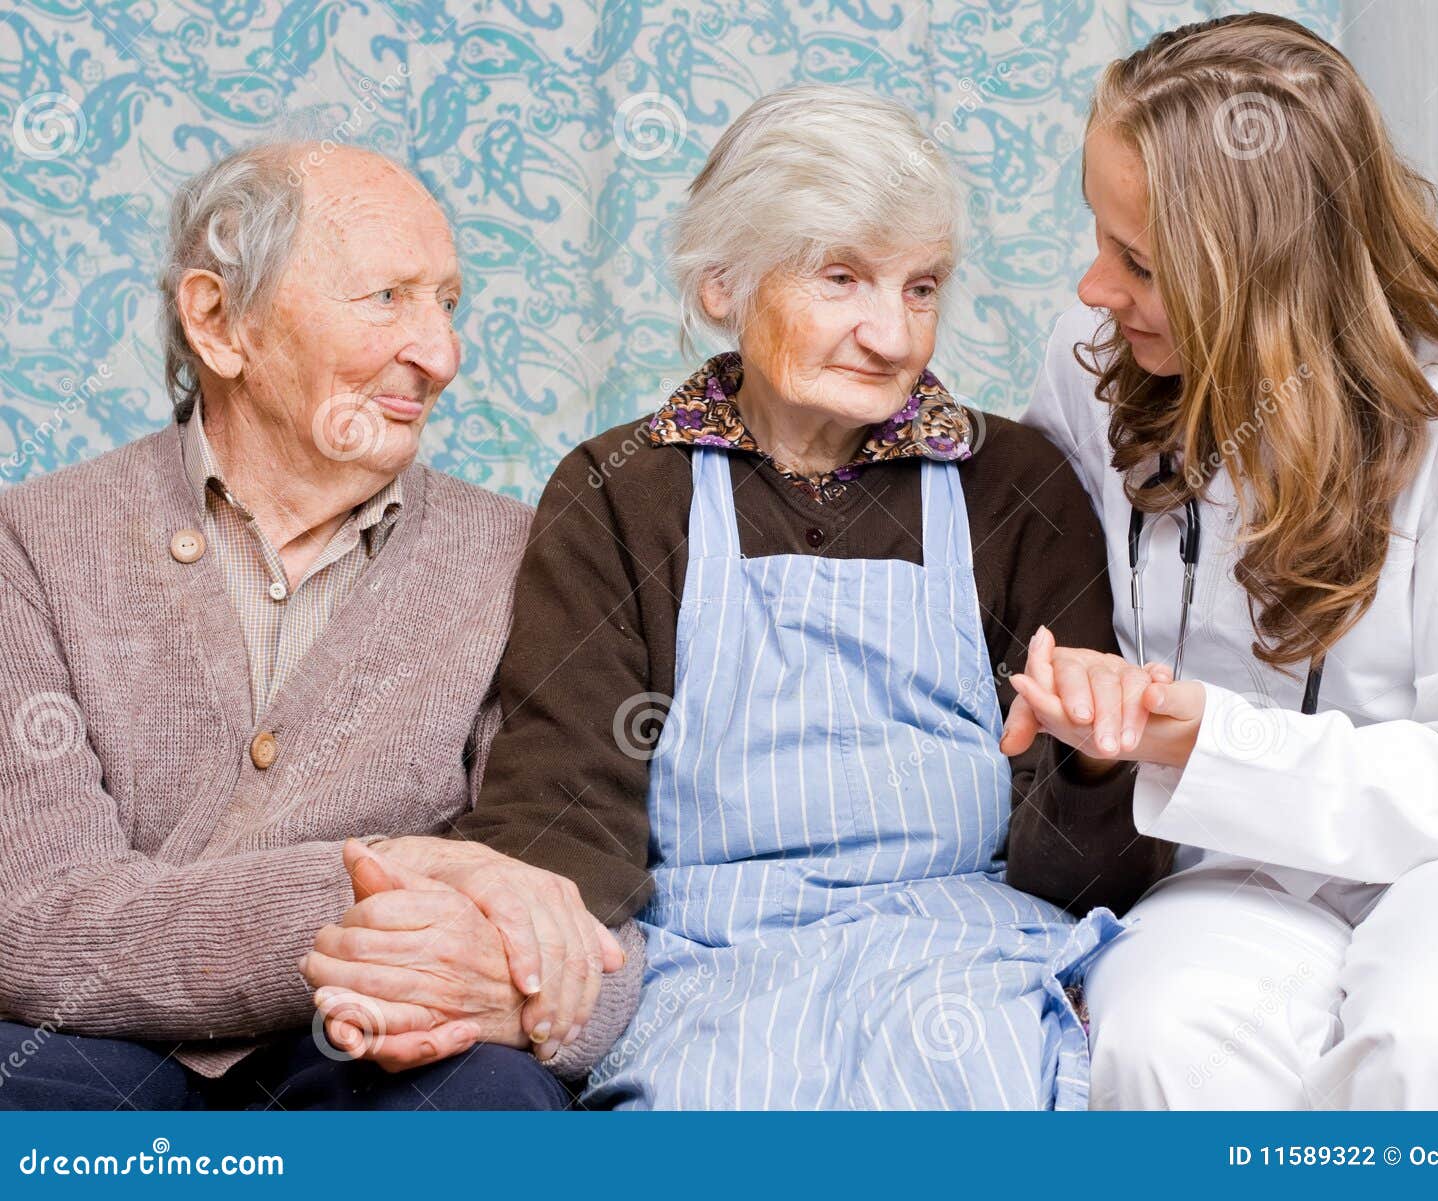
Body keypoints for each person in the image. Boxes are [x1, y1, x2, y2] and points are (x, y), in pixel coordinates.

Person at [320, 84, 1174, 1110]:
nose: (892, 335)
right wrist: (503, 942)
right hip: (711, 963)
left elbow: (1088, 866)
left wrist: (1091, 760)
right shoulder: (621, 488)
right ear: (723, 283)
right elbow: (564, 800)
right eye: (843, 278)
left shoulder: (1016, 483)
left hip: (966, 952)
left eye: (920, 287)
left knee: (971, 1080)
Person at [1014, 13, 1438, 1109]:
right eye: (1098, 240)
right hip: (1235, 850)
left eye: (1137, 260)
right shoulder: (1095, 359)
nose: (1095, 289)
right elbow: (1038, 581)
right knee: (1160, 1039)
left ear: (1262, 268)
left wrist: (1213, 740)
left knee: (1437, 1030)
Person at [0, 142, 639, 1110]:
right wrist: (377, 887)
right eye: (387, 297)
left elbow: (598, 912)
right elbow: (30, 915)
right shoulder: (32, 544)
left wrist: (524, 997)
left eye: (448, 303)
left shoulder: (524, 558)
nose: (441, 354)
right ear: (218, 322)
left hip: (379, 1050)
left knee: (486, 1102)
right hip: (94, 1047)